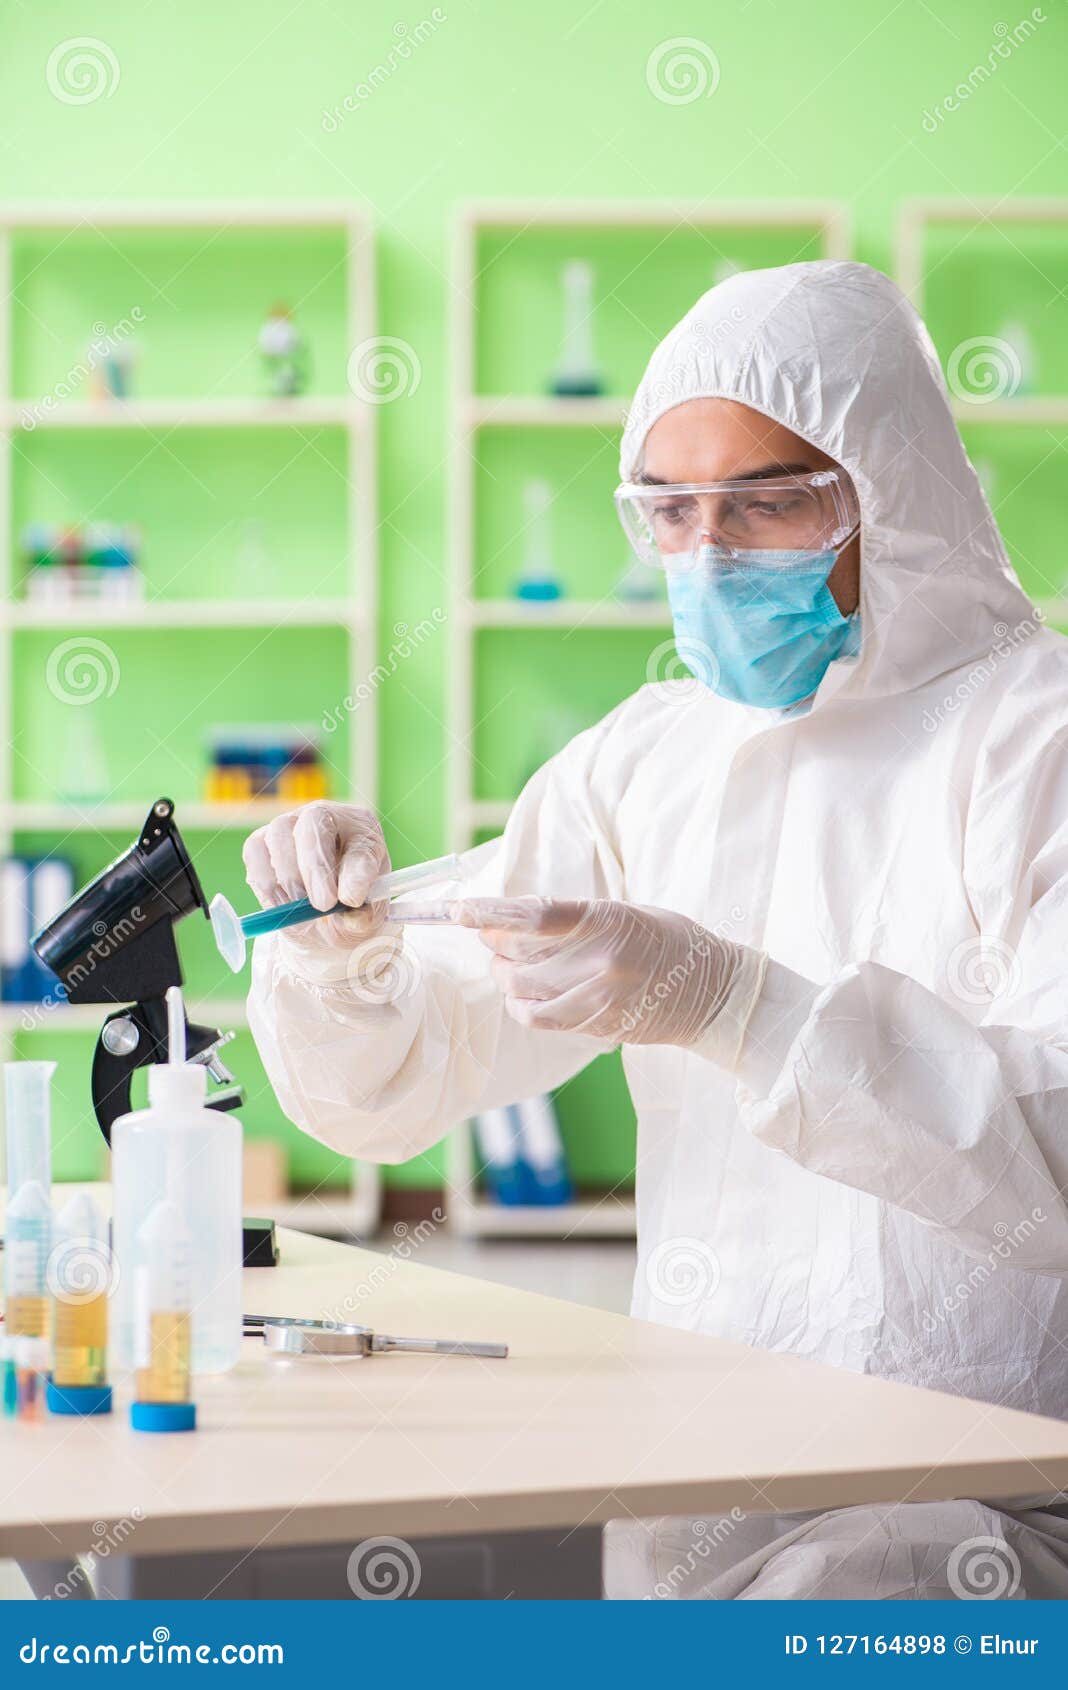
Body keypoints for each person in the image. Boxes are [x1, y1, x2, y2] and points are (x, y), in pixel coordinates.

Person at [245, 261, 1068, 1600]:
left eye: (764, 502)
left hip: (984, 1510)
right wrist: (347, 959)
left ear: (890, 491)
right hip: (701, 1493)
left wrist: (743, 1007)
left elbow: (1057, 1139)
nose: (709, 552)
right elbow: (403, 1083)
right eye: (670, 509)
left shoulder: (1033, 735)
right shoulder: (650, 757)